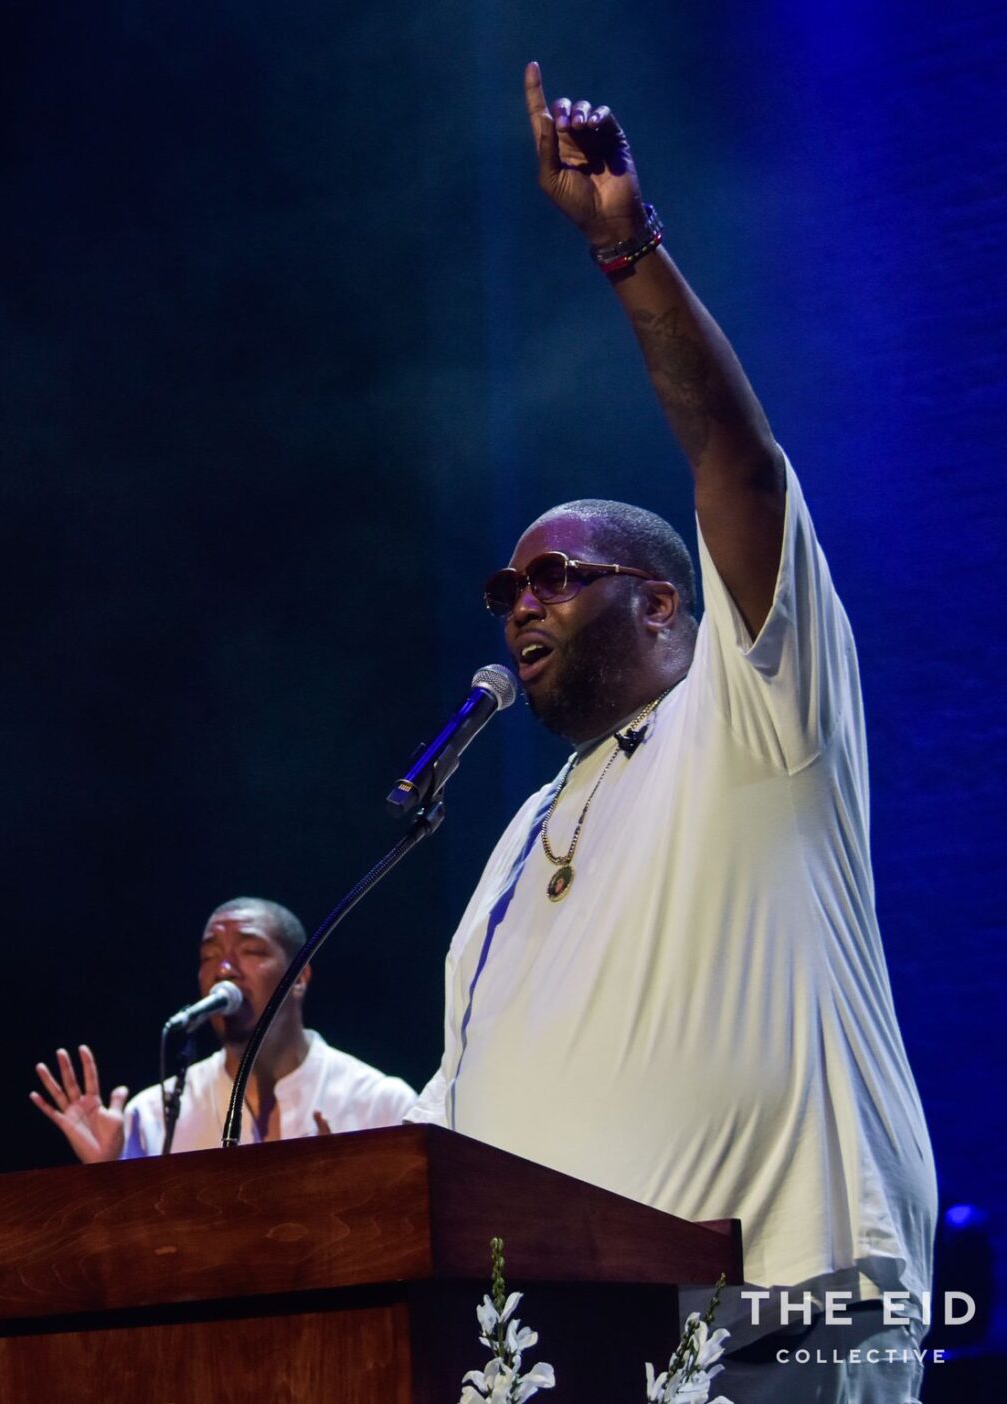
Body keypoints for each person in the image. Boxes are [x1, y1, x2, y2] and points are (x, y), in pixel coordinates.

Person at [406, 64, 935, 1403]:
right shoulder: (520, 843)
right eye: (506, 588)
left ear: (663, 600)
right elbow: (455, 1114)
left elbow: (737, 466)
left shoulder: (757, 713)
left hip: (787, 1310)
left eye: (555, 577)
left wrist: (622, 248)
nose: (522, 603)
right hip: (565, 1353)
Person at [31, 896, 417, 1159]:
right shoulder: (152, 1116)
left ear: (299, 976)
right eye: (209, 956)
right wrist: (106, 1175)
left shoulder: (381, 1105)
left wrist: (358, 1193)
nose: (224, 970)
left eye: (249, 951)